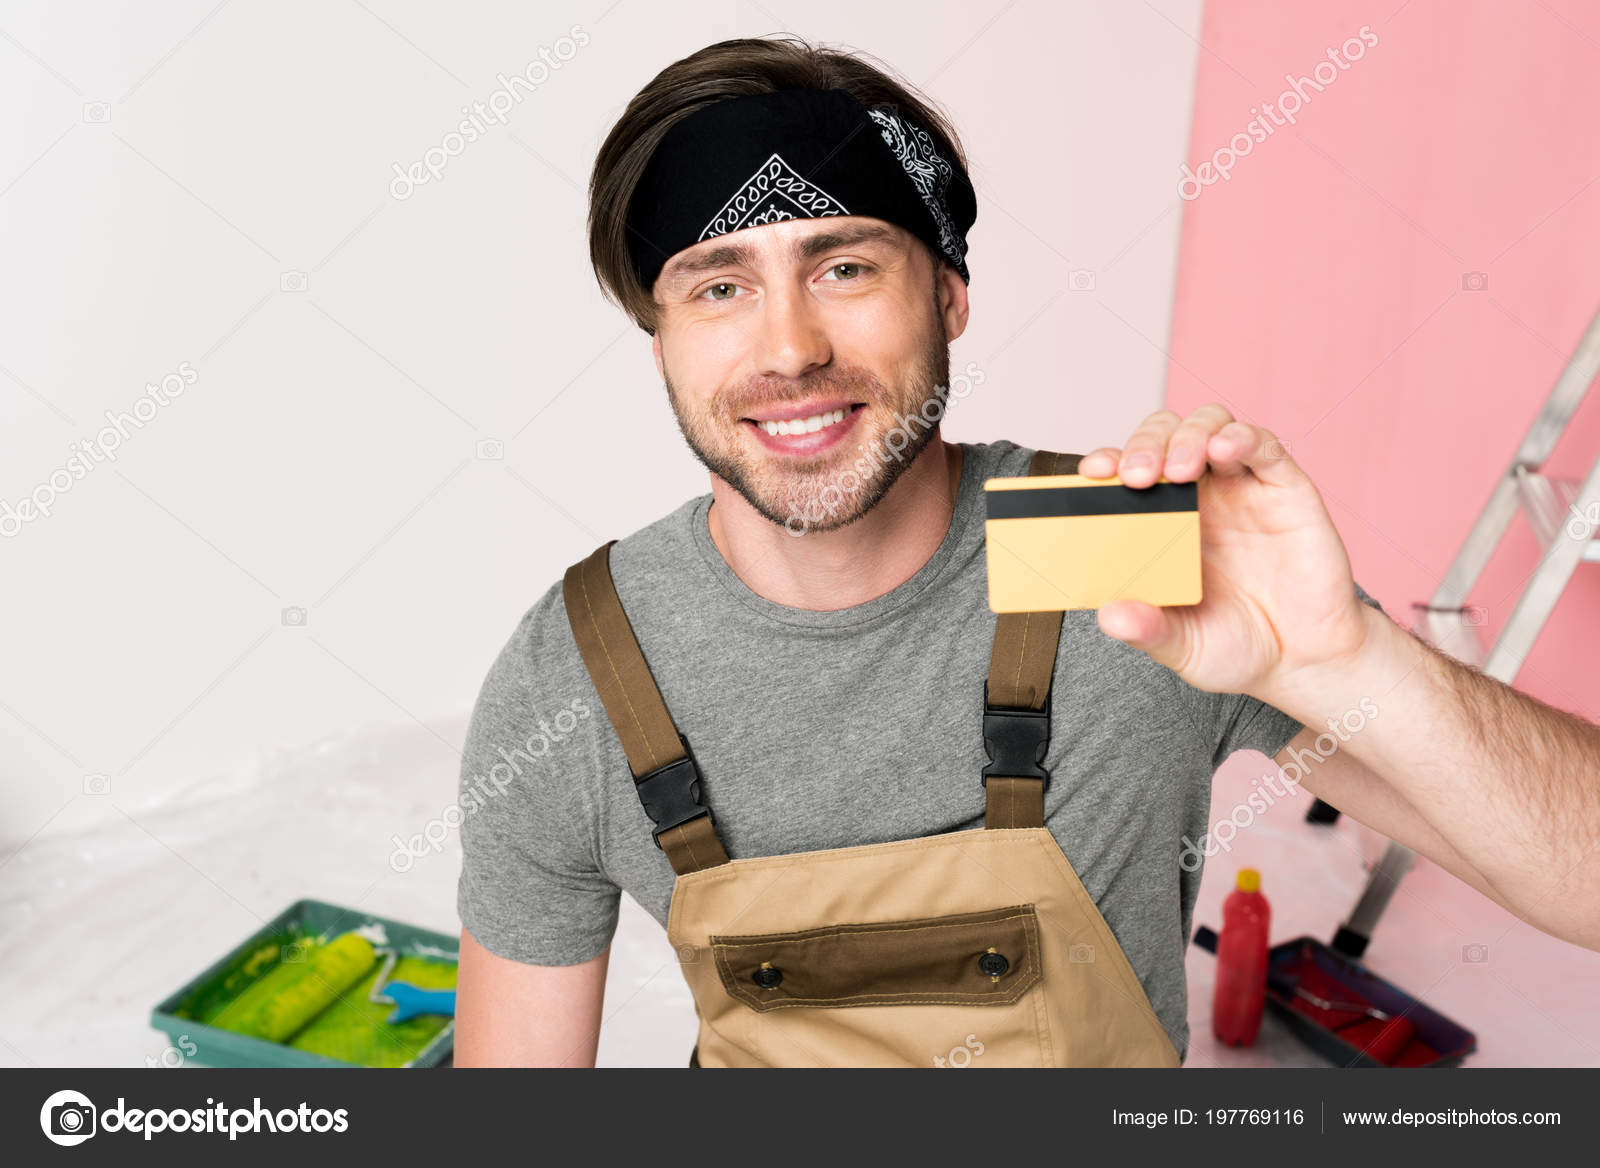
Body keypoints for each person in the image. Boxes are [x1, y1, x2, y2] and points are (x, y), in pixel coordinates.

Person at [453, 35, 1600, 1067]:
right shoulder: (580, 674)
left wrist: (1351, 661)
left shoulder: (1120, 554)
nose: (790, 347)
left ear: (947, 295)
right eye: (719, 286)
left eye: (844, 266)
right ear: (660, 344)